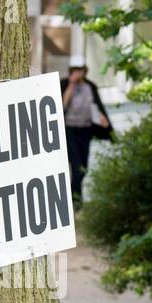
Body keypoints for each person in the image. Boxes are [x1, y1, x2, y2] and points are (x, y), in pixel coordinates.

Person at [60, 56, 111, 201]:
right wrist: (71, 85)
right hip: (69, 130)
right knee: (76, 168)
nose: (77, 72)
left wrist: (102, 118)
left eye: (80, 70)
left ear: (84, 70)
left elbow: (95, 106)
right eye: (74, 70)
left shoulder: (90, 86)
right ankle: (75, 201)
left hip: (85, 130)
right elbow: (61, 106)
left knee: (84, 168)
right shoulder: (64, 84)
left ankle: (71, 198)